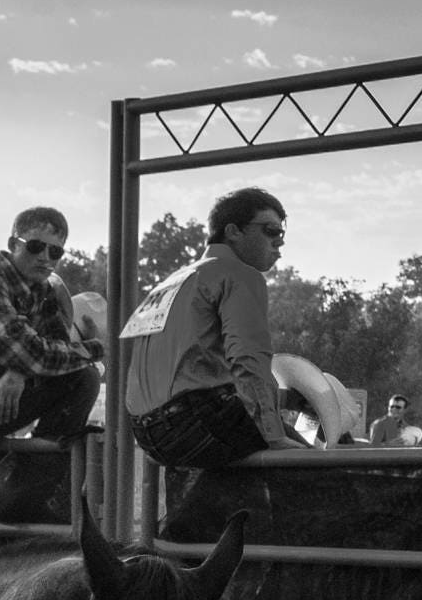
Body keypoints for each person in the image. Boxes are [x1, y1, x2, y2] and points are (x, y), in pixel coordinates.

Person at [124, 186, 299, 469]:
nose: (279, 242)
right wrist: (274, 435)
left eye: (282, 233)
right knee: (313, 455)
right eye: (271, 230)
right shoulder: (240, 275)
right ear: (233, 231)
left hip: (147, 432)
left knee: (268, 429)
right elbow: (248, 359)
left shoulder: (172, 281)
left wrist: (283, 400)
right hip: (194, 419)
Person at [0, 208, 102, 438]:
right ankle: (32, 468)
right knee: (81, 378)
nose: (45, 257)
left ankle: (32, 467)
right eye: (35, 246)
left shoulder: (42, 293)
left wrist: (18, 373)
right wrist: (100, 347)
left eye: (55, 252)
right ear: (13, 244)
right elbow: (30, 354)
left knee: (80, 376)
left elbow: (53, 353)